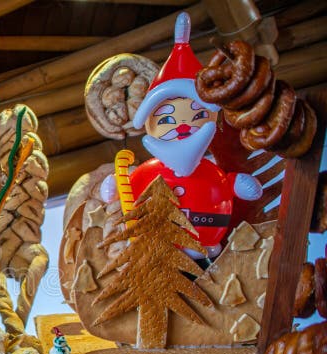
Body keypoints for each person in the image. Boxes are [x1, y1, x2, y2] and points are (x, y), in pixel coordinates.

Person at [100, 12, 262, 258]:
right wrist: (115, 187)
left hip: (205, 250)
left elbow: (228, 184)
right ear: (149, 124)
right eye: (167, 119)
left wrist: (236, 184)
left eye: (197, 116)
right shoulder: (147, 173)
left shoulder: (212, 173)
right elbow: (124, 190)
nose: (183, 126)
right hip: (155, 254)